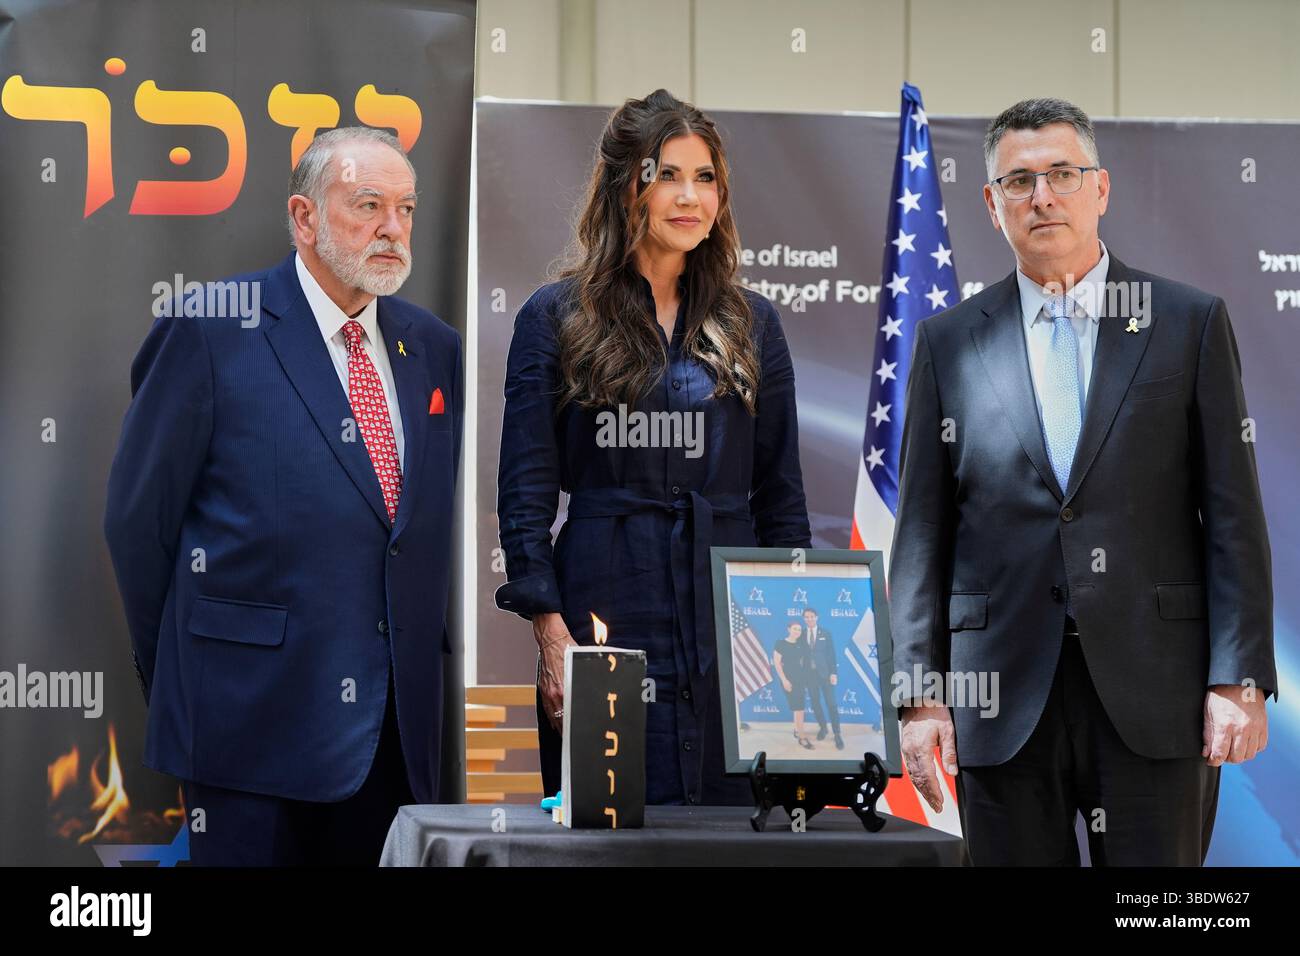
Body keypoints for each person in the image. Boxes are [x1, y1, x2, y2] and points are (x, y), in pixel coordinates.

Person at [889, 98, 1275, 866]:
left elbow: (1232, 513)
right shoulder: (949, 342)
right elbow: (924, 532)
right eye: (1020, 181)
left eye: (1062, 174)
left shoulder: (1187, 322)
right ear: (992, 204)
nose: (1043, 197)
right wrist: (920, 695)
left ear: (1100, 189)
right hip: (996, 700)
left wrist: (1239, 675)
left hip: (1155, 691)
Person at [103, 127, 464, 866]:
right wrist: (185, 668)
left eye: (406, 209)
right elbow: (138, 524)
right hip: (248, 731)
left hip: (396, 739)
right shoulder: (212, 329)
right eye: (368, 206)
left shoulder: (434, 349)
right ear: (304, 218)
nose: (392, 229)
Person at [495, 89, 811, 807]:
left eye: (705, 178)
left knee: (738, 838)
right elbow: (525, 491)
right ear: (624, 185)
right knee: (610, 829)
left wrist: (791, 631)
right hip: (604, 601)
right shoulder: (555, 316)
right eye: (666, 174)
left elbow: (784, 502)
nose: (689, 196)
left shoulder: (754, 322)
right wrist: (551, 634)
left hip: (739, 627)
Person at [801, 607, 842, 749]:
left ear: (816, 617)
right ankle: (823, 727)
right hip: (809, 676)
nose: (809, 619)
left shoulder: (825, 633)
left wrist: (833, 673)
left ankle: (837, 734)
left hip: (825, 675)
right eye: (806, 617)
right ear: (804, 619)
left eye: (812, 616)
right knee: (815, 703)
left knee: (831, 704)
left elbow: (832, 655)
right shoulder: (802, 634)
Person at [773, 622, 815, 750]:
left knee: (799, 706)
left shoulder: (800, 644)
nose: (797, 631)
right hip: (788, 678)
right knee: (799, 708)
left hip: (800, 678)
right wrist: (784, 680)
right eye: (794, 629)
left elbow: (806, 660)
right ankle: (802, 737)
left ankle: (797, 730)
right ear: (788, 629)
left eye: (799, 629)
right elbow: (777, 663)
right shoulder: (780, 643)